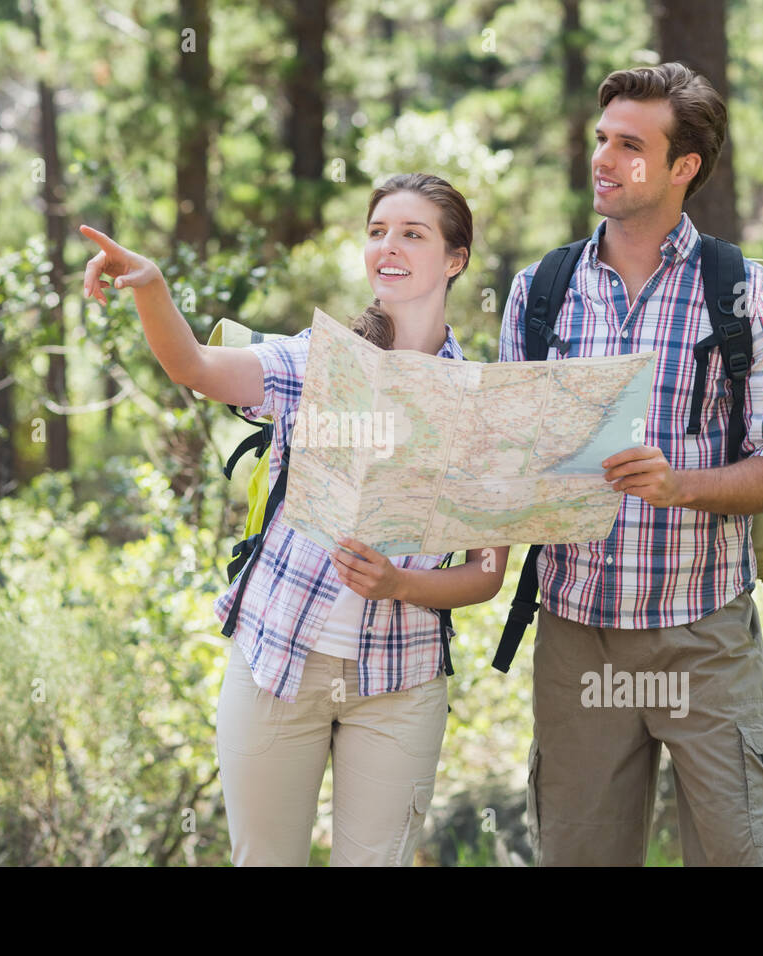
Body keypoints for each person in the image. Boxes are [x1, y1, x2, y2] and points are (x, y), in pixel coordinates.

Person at [81, 172, 509, 866]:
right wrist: (154, 288)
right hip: (277, 660)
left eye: (412, 233)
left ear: (455, 259)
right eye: (376, 232)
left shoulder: (484, 402)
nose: (387, 247)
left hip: (400, 682)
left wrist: (399, 585)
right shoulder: (318, 360)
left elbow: (487, 576)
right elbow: (194, 366)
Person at [498, 63, 763, 865]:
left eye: (630, 146)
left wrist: (680, 485)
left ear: (685, 169)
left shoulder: (748, 294)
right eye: (602, 139)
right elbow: (499, 457)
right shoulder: (540, 291)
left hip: (702, 633)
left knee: (743, 854)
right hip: (574, 634)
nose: (603, 159)